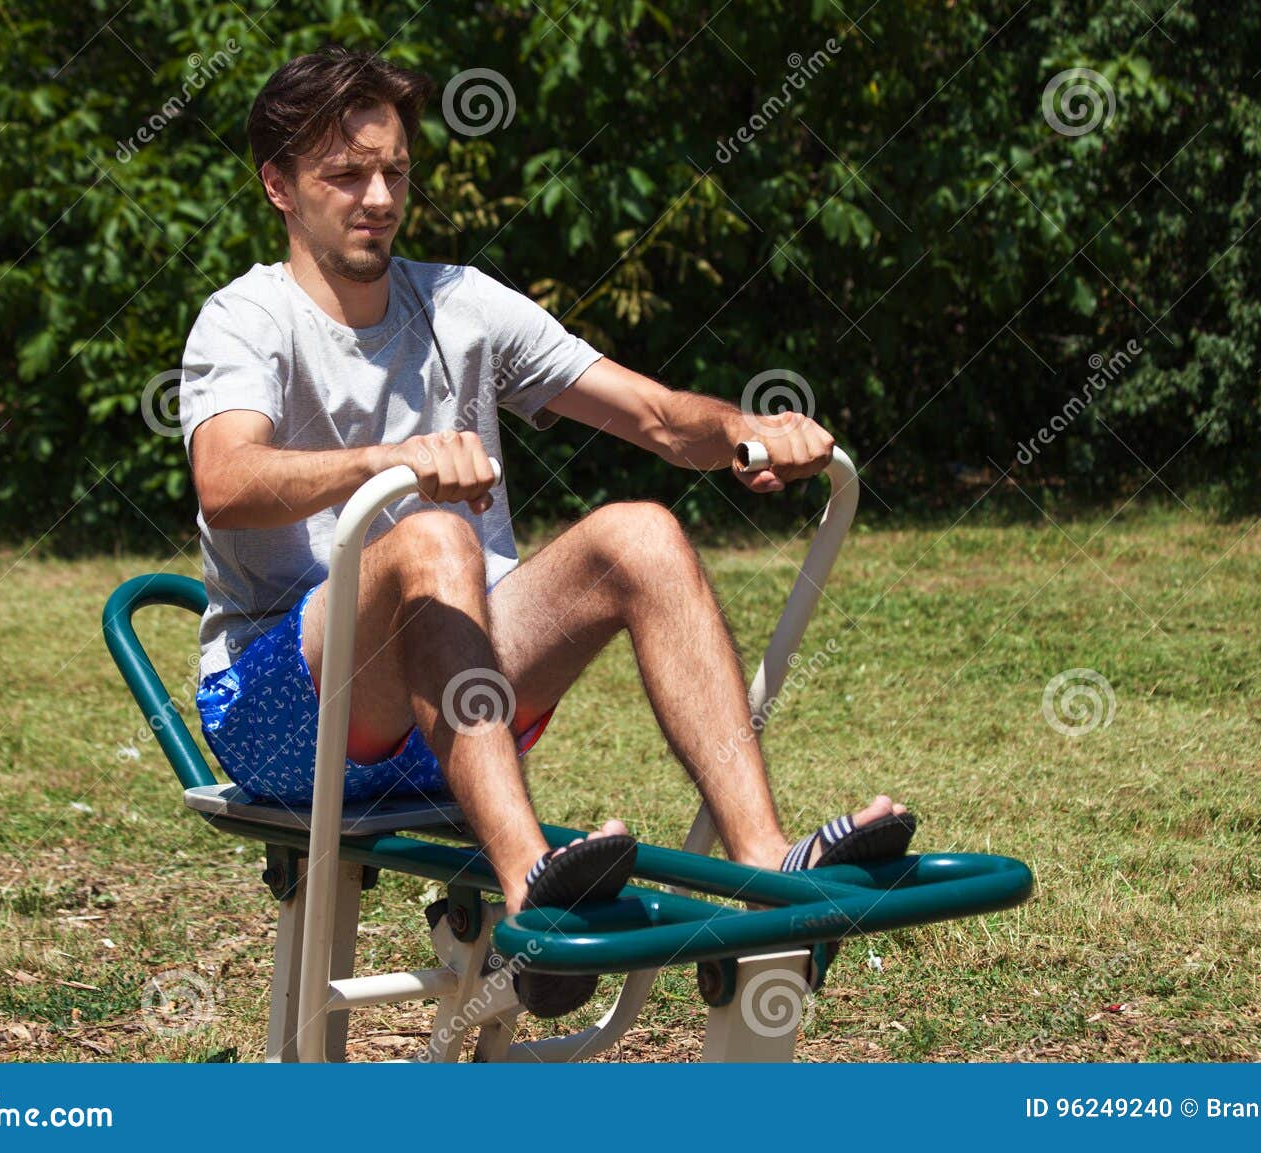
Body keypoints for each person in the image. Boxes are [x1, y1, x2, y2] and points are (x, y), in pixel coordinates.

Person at [179, 46, 915, 1018]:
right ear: (278, 185)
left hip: (451, 696)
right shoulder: (245, 320)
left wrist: (746, 430)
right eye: (345, 175)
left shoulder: (460, 303)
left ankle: (762, 869)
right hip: (289, 718)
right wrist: (393, 465)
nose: (378, 197)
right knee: (433, 535)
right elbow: (226, 481)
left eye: (395, 171)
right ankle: (535, 899)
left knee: (640, 533)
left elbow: (651, 416)